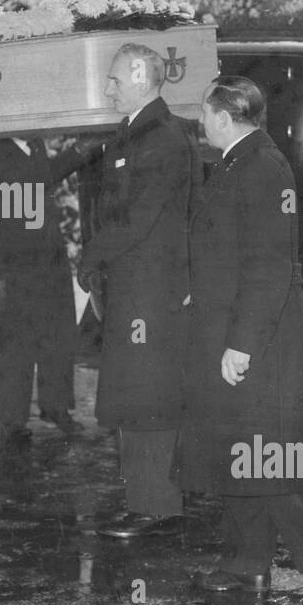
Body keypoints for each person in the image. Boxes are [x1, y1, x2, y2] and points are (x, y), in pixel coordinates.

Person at [177, 76, 303, 595]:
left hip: (259, 339)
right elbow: (230, 249)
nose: (199, 121)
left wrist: (240, 344)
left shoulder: (261, 167)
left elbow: (268, 266)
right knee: (238, 447)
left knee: (268, 454)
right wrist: (203, 292)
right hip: (235, 325)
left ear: (222, 116)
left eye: (203, 112)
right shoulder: (242, 161)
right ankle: (247, 562)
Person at [78, 44, 202, 540]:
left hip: (152, 291)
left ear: (140, 79)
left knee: (151, 398)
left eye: (114, 80)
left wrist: (90, 256)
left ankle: (158, 507)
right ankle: (142, 501)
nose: (107, 88)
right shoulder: (136, 135)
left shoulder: (161, 140)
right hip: (134, 287)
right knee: (136, 398)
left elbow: (136, 219)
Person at [0, 137, 85, 439]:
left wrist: (77, 152)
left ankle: (56, 407)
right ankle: (12, 421)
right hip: (13, 271)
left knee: (56, 341)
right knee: (13, 351)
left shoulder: (35, 147)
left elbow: (39, 180)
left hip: (49, 267)